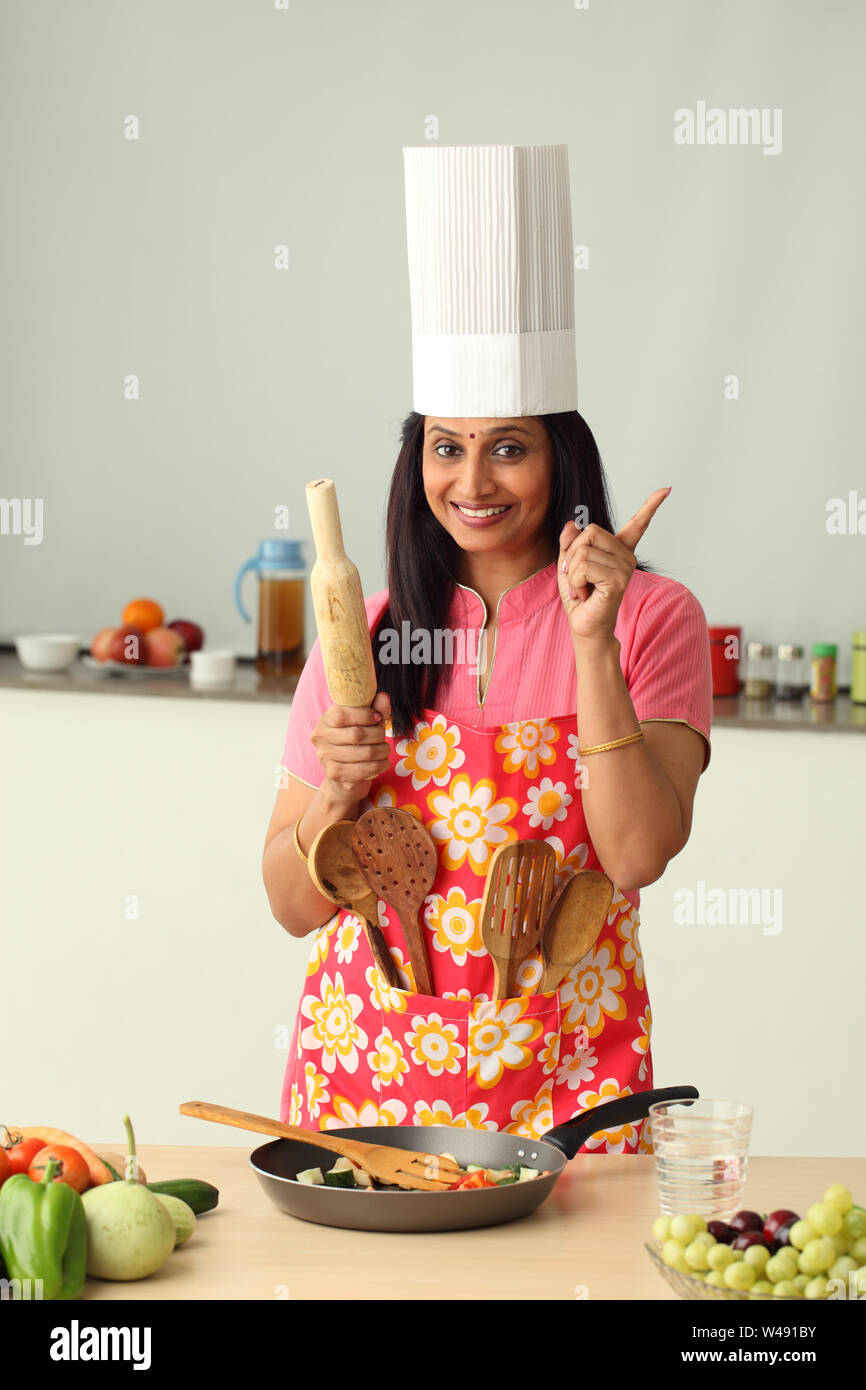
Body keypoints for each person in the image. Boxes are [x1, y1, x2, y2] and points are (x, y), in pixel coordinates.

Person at [262, 145, 712, 1149]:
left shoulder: (650, 615)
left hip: (567, 1083)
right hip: (368, 1078)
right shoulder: (366, 632)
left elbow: (634, 854)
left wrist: (590, 641)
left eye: (508, 444)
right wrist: (335, 795)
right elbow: (292, 909)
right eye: (445, 444)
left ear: (560, 454)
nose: (472, 479)